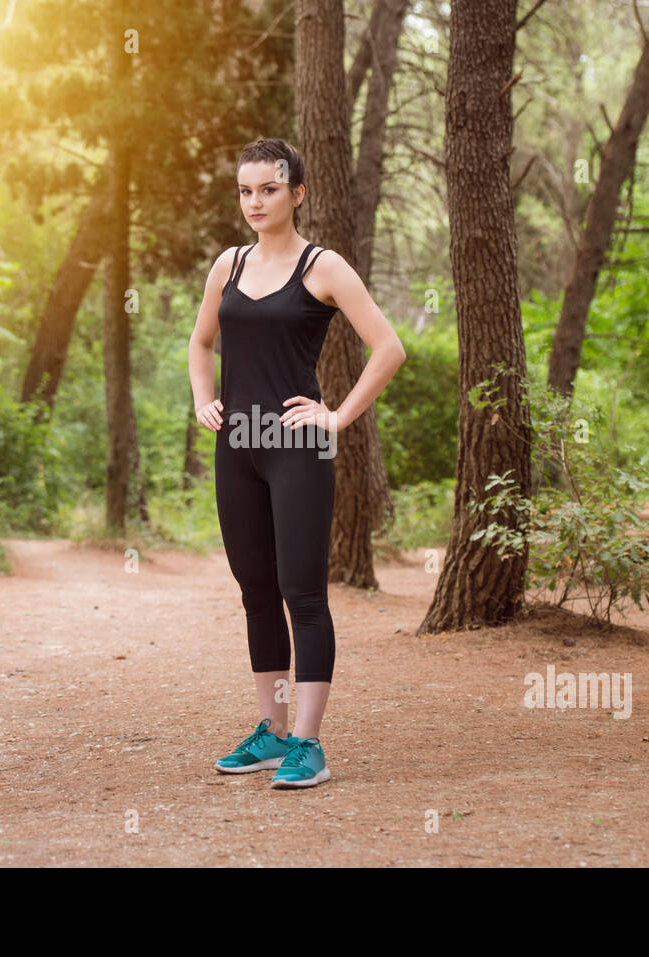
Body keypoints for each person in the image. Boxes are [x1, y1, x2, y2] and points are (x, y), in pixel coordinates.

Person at [186, 138, 406, 789]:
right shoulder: (227, 265)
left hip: (298, 453)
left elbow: (389, 347)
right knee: (256, 591)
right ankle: (272, 733)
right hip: (238, 452)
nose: (255, 201)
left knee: (301, 593)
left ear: (298, 194)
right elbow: (201, 343)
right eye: (246, 190)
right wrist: (205, 398)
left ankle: (310, 742)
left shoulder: (323, 266)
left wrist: (337, 417)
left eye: (269, 190)